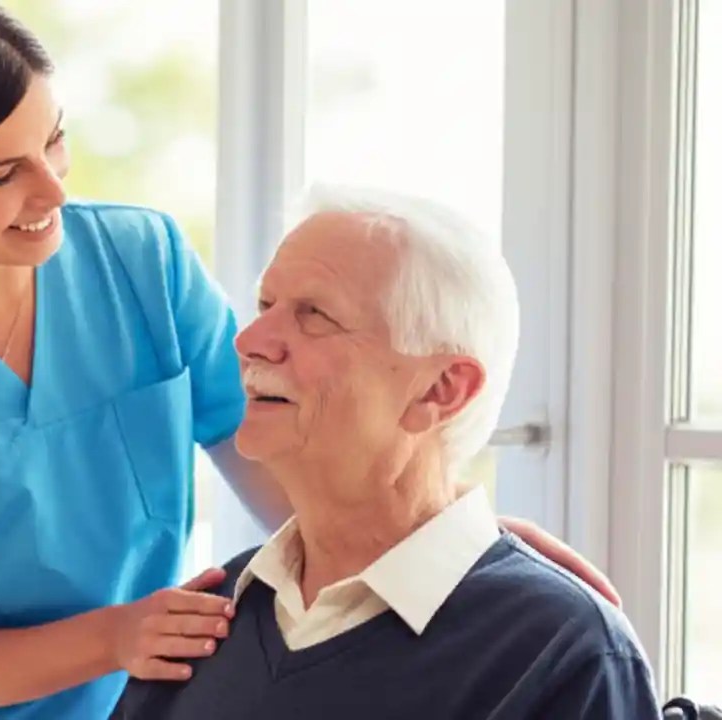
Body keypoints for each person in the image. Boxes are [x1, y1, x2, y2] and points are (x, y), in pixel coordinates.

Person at [0, 1, 619, 717]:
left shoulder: (141, 263)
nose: (55, 190)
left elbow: (304, 468)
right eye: (2, 175)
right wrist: (118, 636)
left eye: (55, 140)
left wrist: (448, 539)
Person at [114, 187, 660, 720]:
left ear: (440, 389)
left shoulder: (561, 651)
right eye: (266, 304)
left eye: (314, 315)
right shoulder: (203, 621)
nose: (250, 339)